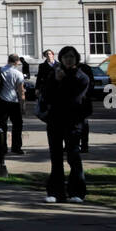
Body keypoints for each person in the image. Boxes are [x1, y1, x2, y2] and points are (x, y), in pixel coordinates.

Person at [41, 46, 91, 204]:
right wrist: (56, 80)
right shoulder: (53, 74)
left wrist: (64, 80)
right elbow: (47, 96)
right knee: (56, 158)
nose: (68, 60)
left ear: (76, 58)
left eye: (71, 57)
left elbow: (75, 98)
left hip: (73, 121)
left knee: (73, 156)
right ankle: (56, 192)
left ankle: (77, 191)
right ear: (61, 59)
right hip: (55, 121)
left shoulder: (81, 76)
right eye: (65, 57)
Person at [0, 54, 25, 154]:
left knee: (2, 124)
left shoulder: (0, 70)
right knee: (17, 125)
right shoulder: (18, 74)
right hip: (14, 101)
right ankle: (16, 147)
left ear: (8, 60)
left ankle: (2, 147)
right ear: (17, 62)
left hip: (1, 100)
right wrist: (22, 105)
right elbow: (21, 91)